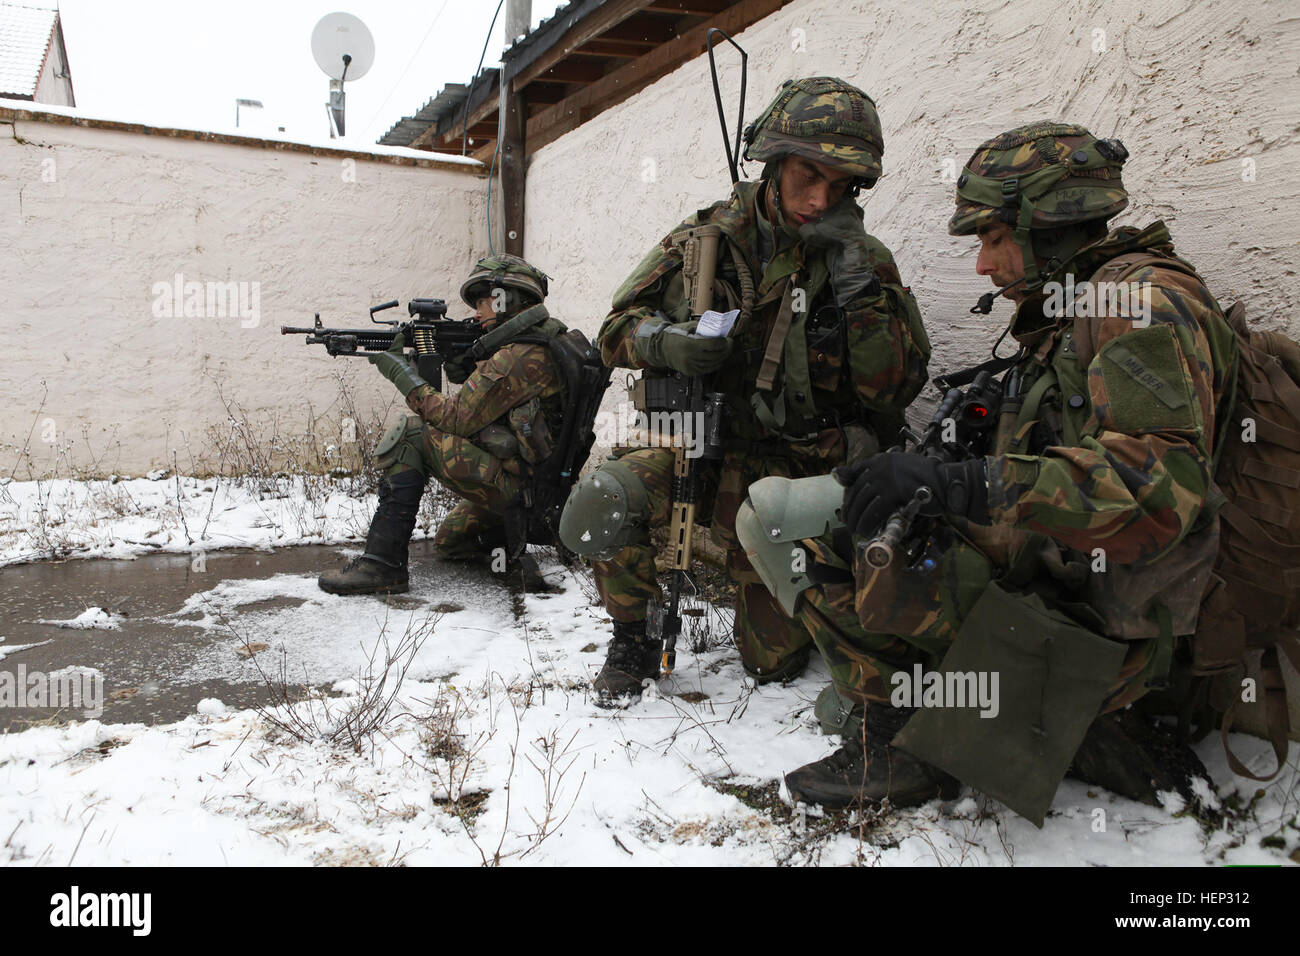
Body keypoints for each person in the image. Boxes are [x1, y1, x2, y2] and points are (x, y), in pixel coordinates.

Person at [736, 121, 1235, 822]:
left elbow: (1158, 490)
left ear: (1053, 228)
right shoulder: (1078, 306)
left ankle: (905, 752)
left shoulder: (1136, 304)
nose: (981, 264)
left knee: (836, 547)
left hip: (1108, 623)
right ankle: (981, 714)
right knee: (861, 508)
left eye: (995, 238)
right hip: (1068, 581)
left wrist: (967, 487)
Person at [558, 77, 931, 706]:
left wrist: (859, 283)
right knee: (605, 497)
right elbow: (613, 331)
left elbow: (892, 390)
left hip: (800, 473)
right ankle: (633, 638)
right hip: (704, 454)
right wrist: (665, 342)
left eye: (840, 188)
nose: (819, 200)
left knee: (770, 665)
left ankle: (792, 585)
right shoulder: (706, 243)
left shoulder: (862, 260)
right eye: (807, 177)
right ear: (773, 164)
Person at [319, 254, 568, 595]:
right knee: (452, 542)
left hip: (525, 492)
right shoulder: (540, 344)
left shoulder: (516, 359)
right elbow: (495, 406)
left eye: (485, 301)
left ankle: (382, 565)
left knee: (410, 434)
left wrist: (401, 374)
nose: (477, 312)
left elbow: (456, 419)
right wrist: (462, 363)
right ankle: (515, 544)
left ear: (509, 300)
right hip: (540, 490)